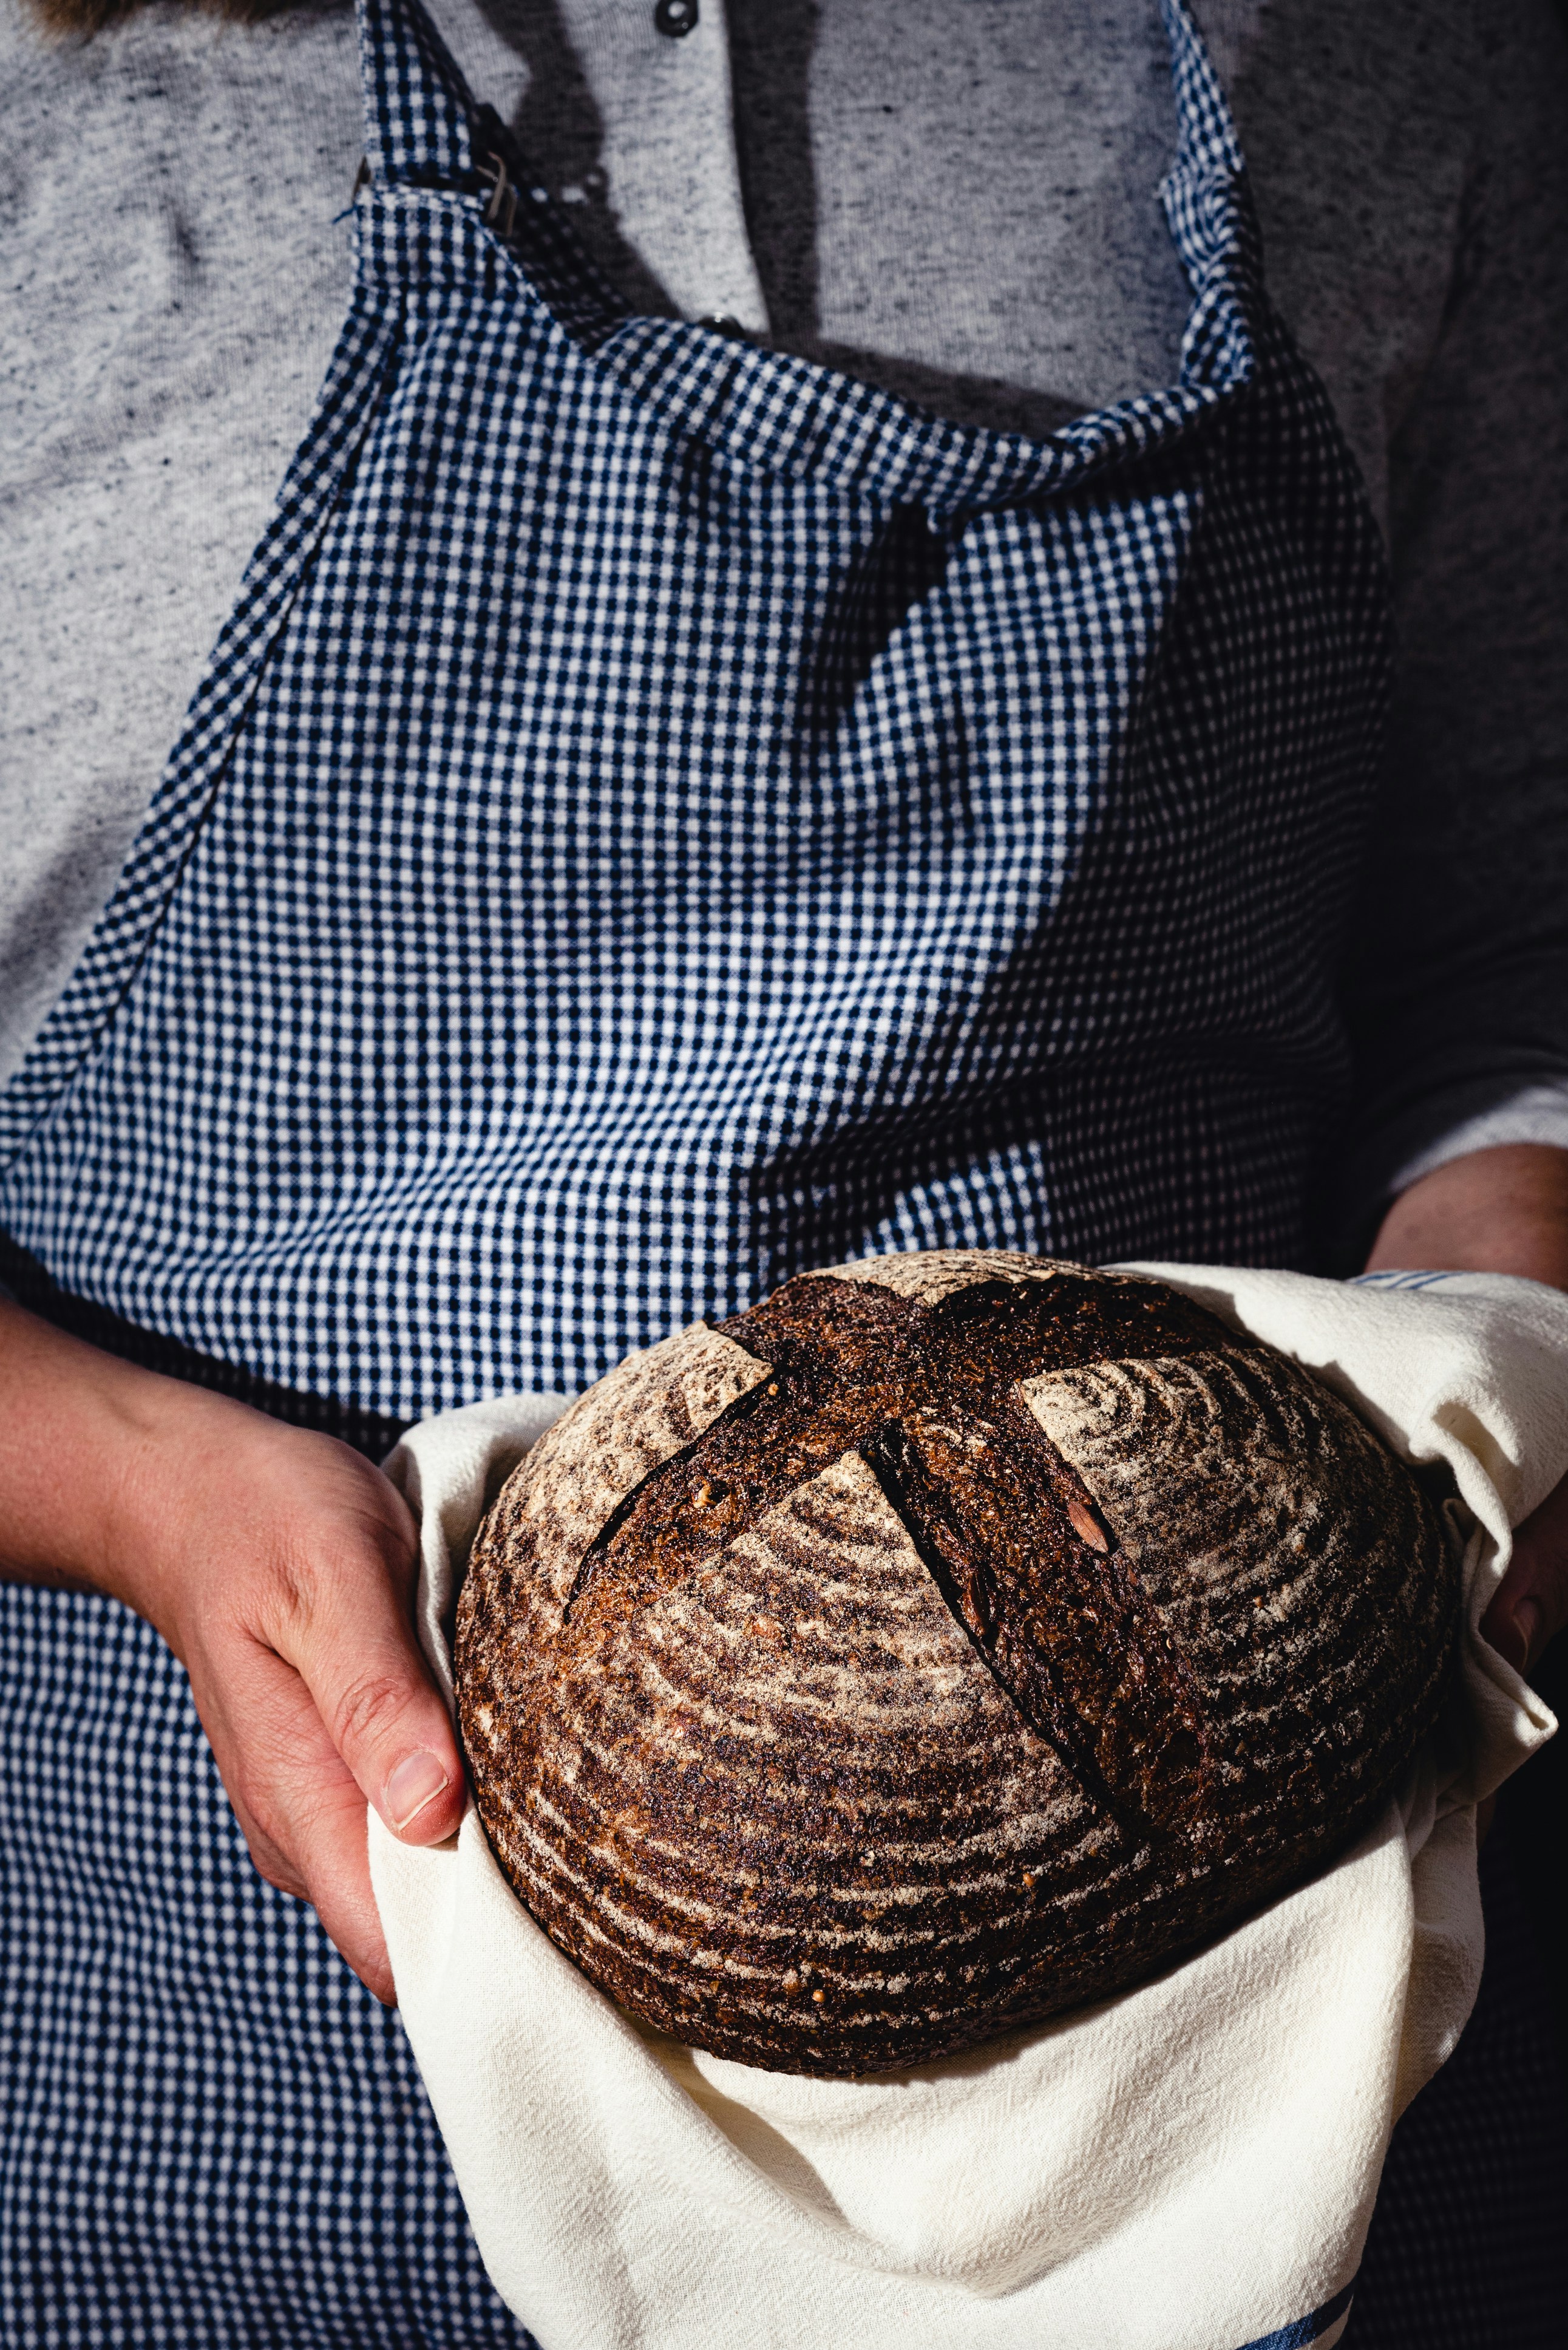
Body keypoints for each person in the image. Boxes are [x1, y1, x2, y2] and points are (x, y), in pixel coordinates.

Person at [1, 0, 1565, 2341]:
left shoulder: (1385, 49)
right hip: (225, 2038)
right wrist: (128, 1482)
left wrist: (1510, 1333)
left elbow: (1506, 938)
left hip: (1285, 1965)